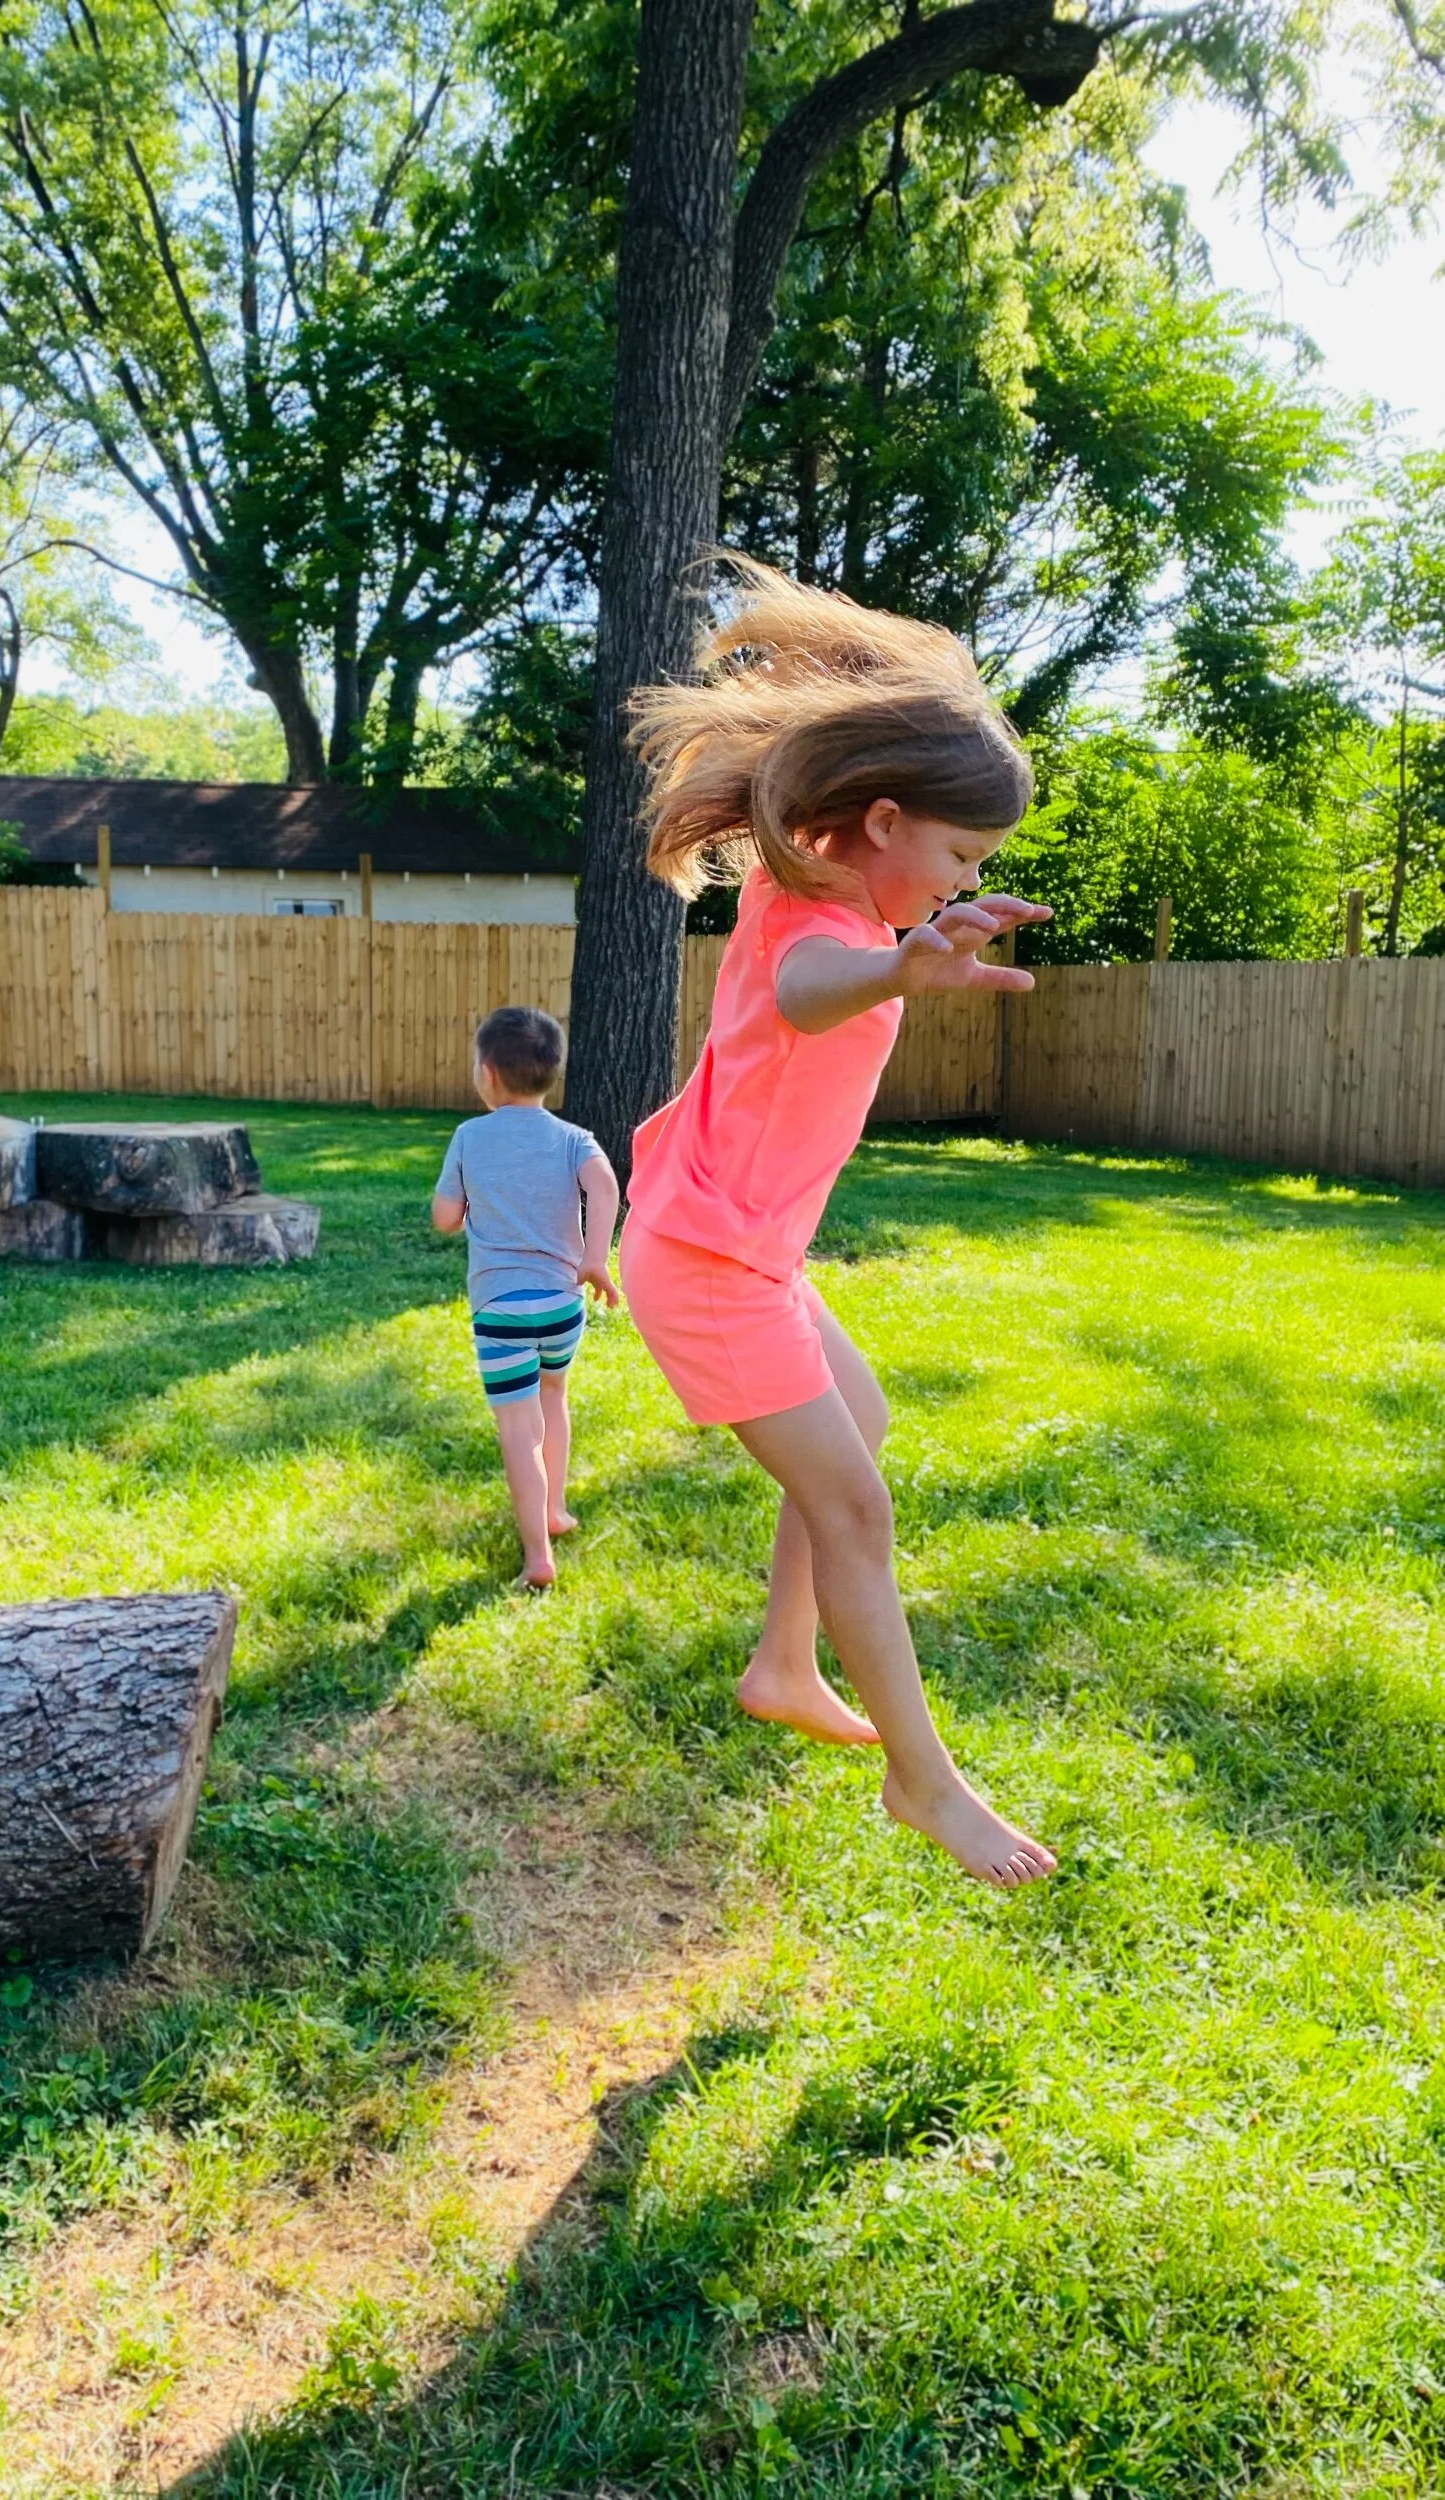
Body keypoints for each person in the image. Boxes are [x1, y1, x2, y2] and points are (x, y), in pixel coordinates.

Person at [618, 561, 1058, 1888]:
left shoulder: (830, 902)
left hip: (737, 1249)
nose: (957, 885)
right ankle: (920, 1782)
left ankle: (780, 1663)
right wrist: (900, 967)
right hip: (705, 1266)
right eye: (956, 858)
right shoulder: (810, 927)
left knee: (854, 1427)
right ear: (876, 821)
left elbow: (843, 968)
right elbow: (812, 992)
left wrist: (908, 950)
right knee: (851, 1506)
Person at [433, 1005, 621, 1587]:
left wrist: (463, 1206)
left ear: (487, 1072)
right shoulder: (573, 1138)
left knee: (518, 1428)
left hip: (501, 1309)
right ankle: (555, 1510)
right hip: (564, 1306)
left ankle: (538, 1557)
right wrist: (595, 1257)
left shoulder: (469, 1136)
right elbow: (605, 1182)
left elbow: (445, 1218)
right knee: (553, 1396)